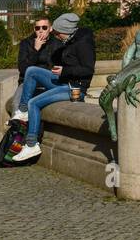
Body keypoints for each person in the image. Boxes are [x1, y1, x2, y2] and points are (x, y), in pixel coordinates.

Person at [11, 13, 96, 162]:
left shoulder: (83, 43)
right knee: (31, 71)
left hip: (74, 88)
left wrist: (65, 71)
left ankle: (31, 145)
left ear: (65, 31)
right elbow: (24, 68)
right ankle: (23, 111)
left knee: (34, 103)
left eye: (56, 32)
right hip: (64, 80)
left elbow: (88, 70)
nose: (55, 35)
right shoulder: (69, 40)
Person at [17, 16, 55, 83]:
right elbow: (23, 69)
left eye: (44, 28)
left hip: (50, 81)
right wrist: (35, 50)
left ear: (50, 29)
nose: (41, 31)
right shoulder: (26, 43)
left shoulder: (57, 43)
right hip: (29, 81)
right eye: (37, 28)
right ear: (34, 29)